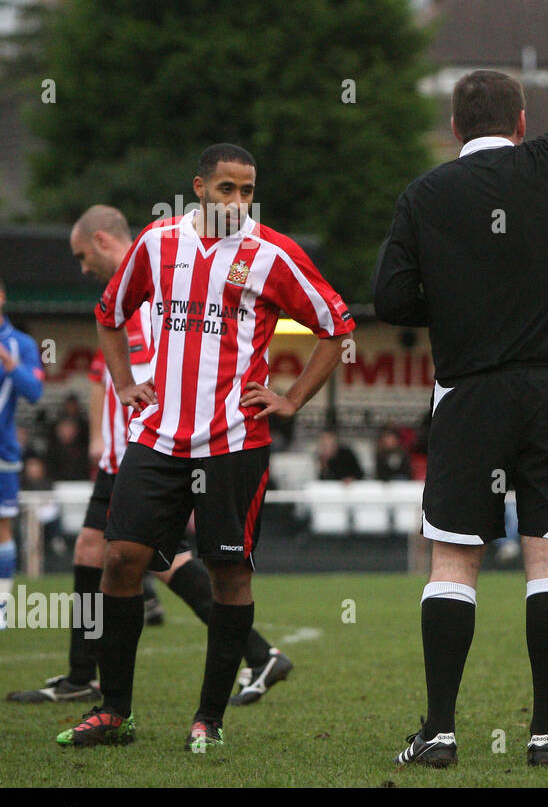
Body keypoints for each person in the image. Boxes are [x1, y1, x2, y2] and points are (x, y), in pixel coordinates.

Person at [373, 0, 548, 769]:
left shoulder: (424, 195)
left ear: (456, 128)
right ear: (523, 121)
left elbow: (391, 301)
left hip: (471, 396)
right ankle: (546, 733)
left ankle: (441, 731)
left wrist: (453, 304)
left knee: (454, 558)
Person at [55, 146, 354, 751]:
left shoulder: (273, 253)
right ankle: (114, 712)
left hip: (234, 443)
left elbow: (336, 325)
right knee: (120, 559)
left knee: (228, 574)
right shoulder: (156, 244)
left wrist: (292, 398)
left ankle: (208, 720)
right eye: (226, 189)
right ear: (198, 187)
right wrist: (122, 382)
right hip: (157, 437)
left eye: (247, 190)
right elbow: (110, 314)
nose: (238, 202)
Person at [8, 205, 290, 708]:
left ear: (102, 240)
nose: (82, 267)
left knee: (148, 559)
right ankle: (84, 675)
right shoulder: (132, 294)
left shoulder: (161, 286)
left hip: (153, 453)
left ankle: (252, 654)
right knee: (97, 553)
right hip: (129, 454)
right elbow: (107, 374)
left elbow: (178, 376)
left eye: (82, 256)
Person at [0, 278, 45, 628]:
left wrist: (9, 363)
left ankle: (1, 607)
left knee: (3, 528)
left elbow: (34, 391)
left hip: (3, 453)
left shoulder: (22, 345)